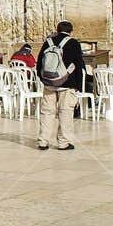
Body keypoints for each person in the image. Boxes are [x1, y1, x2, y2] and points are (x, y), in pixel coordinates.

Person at [35, 20, 83, 152]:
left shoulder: (48, 42)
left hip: (49, 83)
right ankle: (64, 142)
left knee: (47, 112)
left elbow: (39, 62)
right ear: (71, 31)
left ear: (57, 30)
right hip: (67, 83)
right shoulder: (74, 43)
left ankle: (43, 141)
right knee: (65, 112)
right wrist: (78, 85)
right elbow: (79, 65)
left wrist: (44, 79)